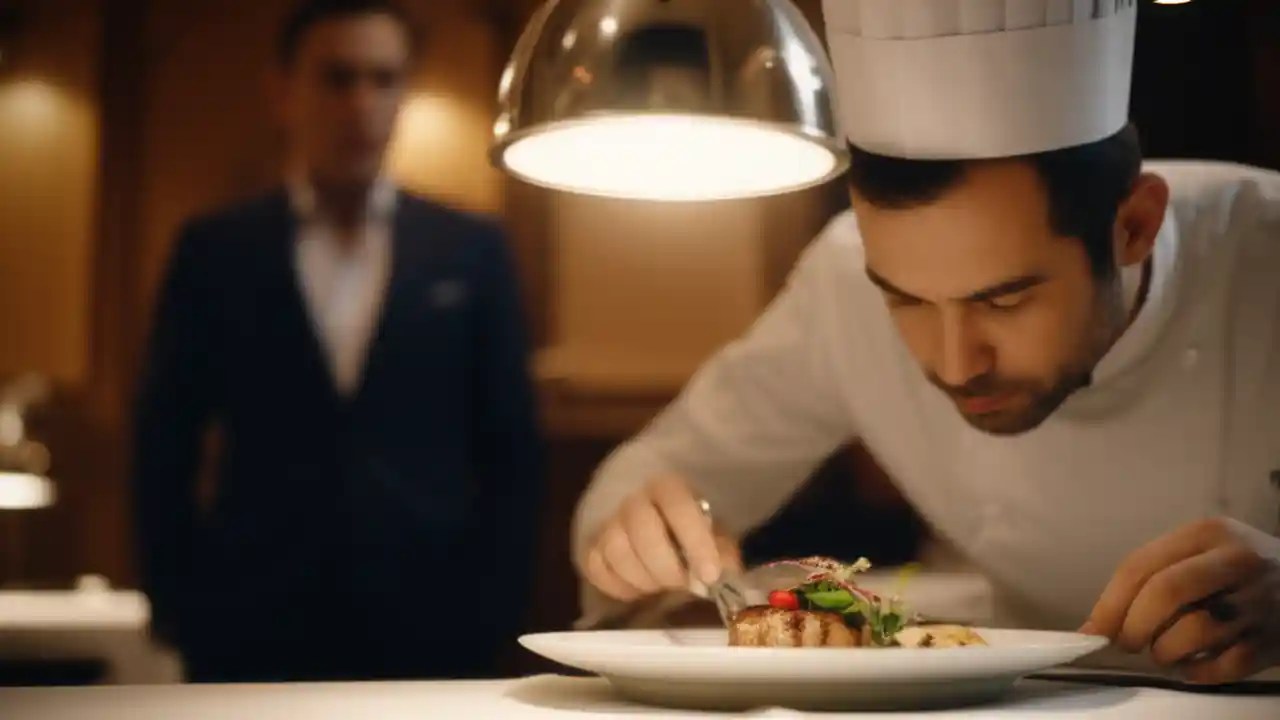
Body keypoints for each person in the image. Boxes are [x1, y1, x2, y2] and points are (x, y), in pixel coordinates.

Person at [573, 1, 1280, 684]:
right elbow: (652, 477)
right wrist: (638, 536)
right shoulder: (840, 280)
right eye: (904, 298)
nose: (953, 361)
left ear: (1133, 227)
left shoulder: (1263, 254)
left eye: (1004, 300)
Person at [132, 0, 542, 682]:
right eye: (338, 78)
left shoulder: (471, 249)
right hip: (249, 622)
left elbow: (512, 452)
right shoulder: (216, 250)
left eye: (384, 80)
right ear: (283, 90)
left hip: (432, 622)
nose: (361, 103)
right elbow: (162, 440)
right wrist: (176, 605)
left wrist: (496, 613)